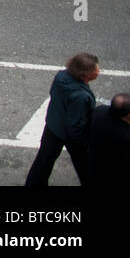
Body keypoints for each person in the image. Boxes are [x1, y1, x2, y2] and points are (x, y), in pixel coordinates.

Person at [25, 52, 99, 186]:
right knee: (86, 166)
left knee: (43, 161)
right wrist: (84, 143)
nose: (98, 71)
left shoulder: (61, 76)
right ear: (85, 74)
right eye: (96, 69)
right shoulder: (81, 96)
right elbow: (76, 125)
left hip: (53, 126)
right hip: (71, 135)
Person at [87, 93, 130, 188]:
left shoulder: (99, 111)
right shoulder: (127, 136)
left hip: (94, 165)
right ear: (129, 115)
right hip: (115, 174)